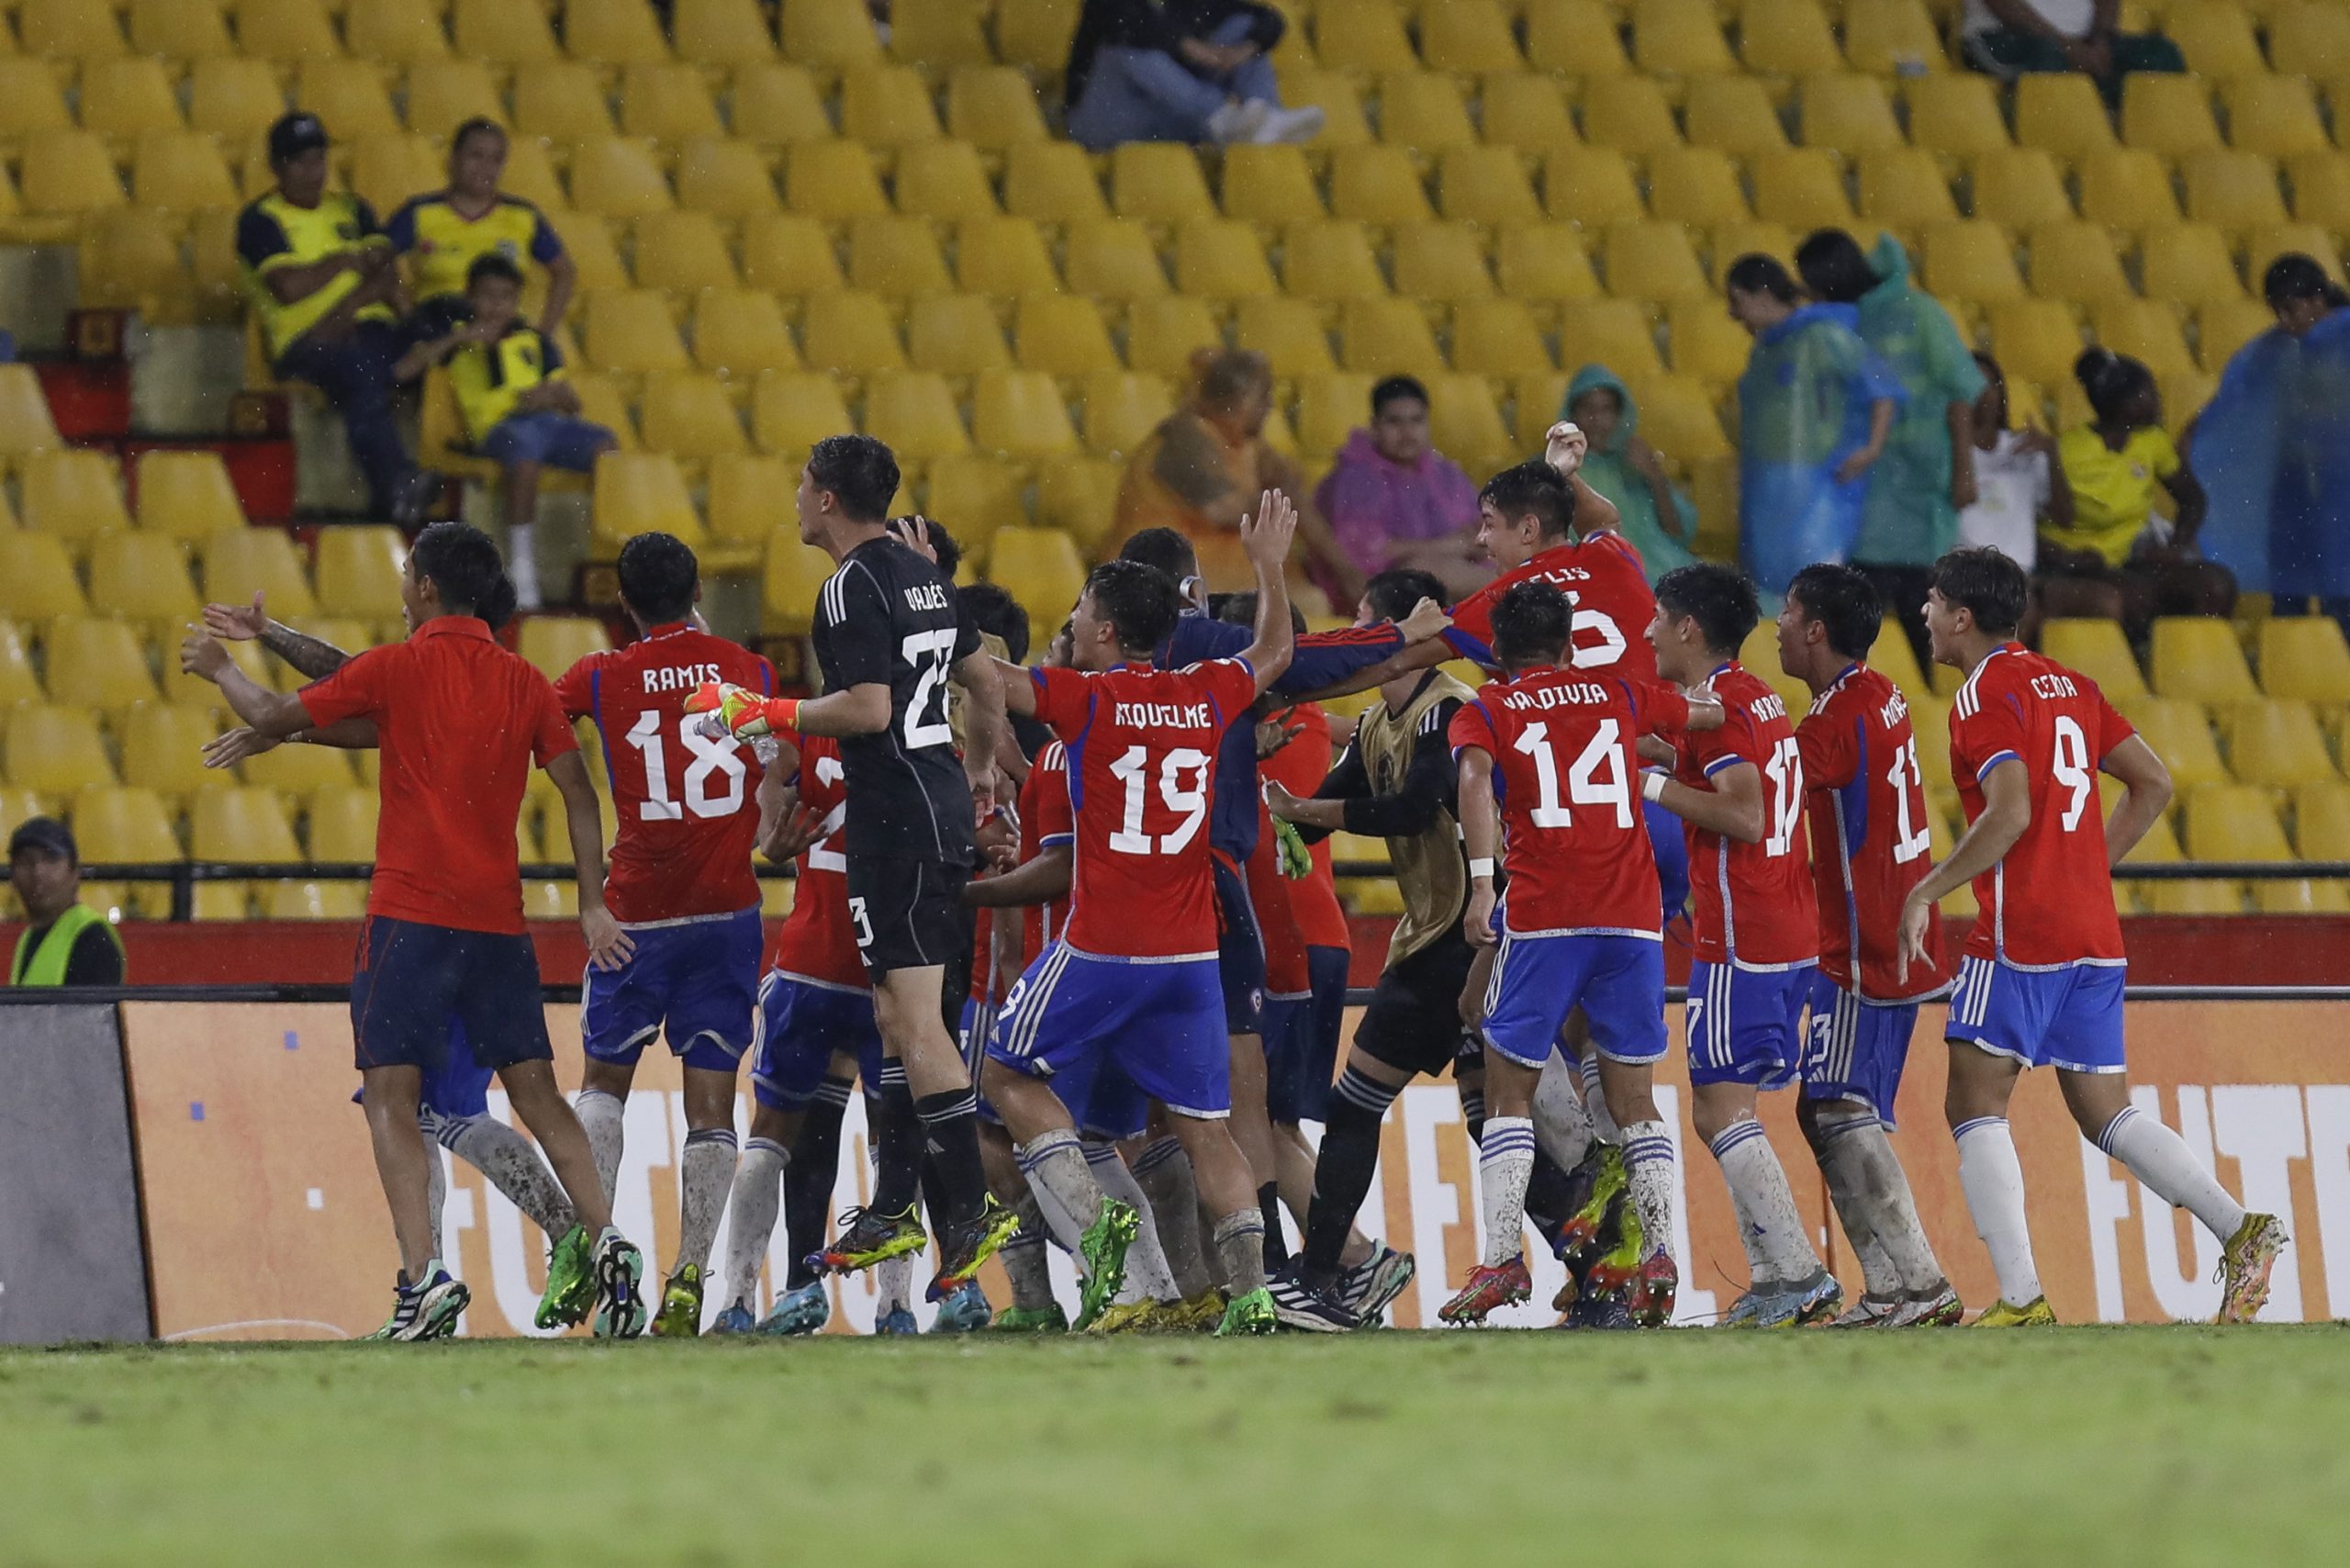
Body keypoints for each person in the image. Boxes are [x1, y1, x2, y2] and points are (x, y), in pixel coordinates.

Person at [178, 521, 646, 1342]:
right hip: (499, 927)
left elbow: (281, 708)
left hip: (412, 921)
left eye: (405, 574)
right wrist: (590, 902)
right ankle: (605, 1238)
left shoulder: (400, 669)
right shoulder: (525, 682)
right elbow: (577, 792)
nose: (400, 583)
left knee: (392, 1099)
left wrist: (225, 671)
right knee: (536, 1092)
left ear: (426, 587)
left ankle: (423, 1279)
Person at [1899, 546, 2287, 1326]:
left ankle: (2021, 1300)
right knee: (2103, 1107)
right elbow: (2155, 782)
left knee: (1973, 1101)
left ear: (1964, 617)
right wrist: (2087, 867)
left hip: (2022, 934)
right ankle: (2240, 1228)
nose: (1925, 615)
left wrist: (1928, 889)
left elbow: (2008, 813)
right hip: (2093, 934)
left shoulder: (1983, 695)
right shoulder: (2070, 683)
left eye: (1934, 602)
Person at [695, 435, 1019, 1294]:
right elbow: (986, 682)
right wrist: (980, 770)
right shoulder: (925, 577)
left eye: (803, 486)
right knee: (899, 1018)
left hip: (897, 821)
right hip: (937, 806)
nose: (796, 500)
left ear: (830, 499)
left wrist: (761, 709)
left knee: (913, 1026)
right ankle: (926, 1213)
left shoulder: (849, 586)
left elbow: (870, 708)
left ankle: (965, 1214)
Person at [980, 492, 1298, 1338]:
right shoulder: (1206, 693)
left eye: (1084, 612)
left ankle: (1098, 1226)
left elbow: (993, 678)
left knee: (1003, 1075)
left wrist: (926, 603)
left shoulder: (1089, 700)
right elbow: (1276, 649)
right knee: (1207, 1131)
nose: (1076, 623)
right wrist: (1266, 562)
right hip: (1191, 955)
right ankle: (1254, 1297)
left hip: (1102, 945)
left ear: (1109, 633)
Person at [1112, 525, 1441, 1295]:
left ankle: (1322, 1263)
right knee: (1234, 1113)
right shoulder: (1299, 724)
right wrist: (1407, 645)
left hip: (1264, 924)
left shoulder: (1230, 702)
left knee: (1250, 1115)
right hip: (1290, 927)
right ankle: (1279, 1269)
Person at [1438, 581, 1722, 1328]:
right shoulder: (1617, 692)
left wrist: (1476, 886)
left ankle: (1502, 1260)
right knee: (1636, 1101)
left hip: (1546, 915)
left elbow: (1472, 782)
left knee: (1508, 1092)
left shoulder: (1487, 709)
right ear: (1568, 647)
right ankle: (1660, 1251)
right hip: (1631, 922)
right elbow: (1708, 715)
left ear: (1496, 652)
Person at [1259, 571, 1506, 1329]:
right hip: (1443, 938)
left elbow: (1411, 807)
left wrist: (1301, 809)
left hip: (1459, 938)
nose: (1358, 649)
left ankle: (1329, 1277)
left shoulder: (1448, 715)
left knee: (1352, 1105)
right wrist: (1262, 789)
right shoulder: (1376, 727)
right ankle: (1599, 1254)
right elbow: (1320, 816)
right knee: (1486, 1120)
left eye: (1367, 626)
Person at [542, 532, 775, 1338]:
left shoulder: (603, 675)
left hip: (635, 914)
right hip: (727, 913)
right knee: (710, 1104)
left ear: (624, 601)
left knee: (603, 1085)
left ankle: (602, 1261)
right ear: (697, 588)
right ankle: (688, 1282)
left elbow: (537, 719)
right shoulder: (751, 670)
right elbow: (780, 757)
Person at [1643, 563, 1841, 1328]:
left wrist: (1649, 789)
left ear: (1690, 629)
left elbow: (1748, 815)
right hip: (1788, 924)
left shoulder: (1719, 707)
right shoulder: (1752, 695)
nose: (1649, 631)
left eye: (1659, 618)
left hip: (1743, 931)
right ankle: (1774, 1276)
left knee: (1720, 1106)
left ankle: (1793, 1271)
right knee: (1733, 1102)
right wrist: (1653, 757)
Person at [1774, 565, 1963, 1328]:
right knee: (1821, 1108)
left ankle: (1921, 1284)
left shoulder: (1834, 720)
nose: (1778, 625)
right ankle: (1889, 1288)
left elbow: (1766, 782)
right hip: (1894, 934)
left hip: (1866, 947)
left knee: (1838, 1104)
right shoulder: (1876, 695)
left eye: (1786, 612)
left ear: (1816, 630)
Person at [711, 730, 881, 1337]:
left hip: (811, 963)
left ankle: (738, 1299)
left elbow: (767, 811)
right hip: (889, 973)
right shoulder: (925, 746)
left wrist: (768, 827)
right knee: (898, 1144)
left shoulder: (807, 738)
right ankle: (898, 1307)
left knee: (774, 1132)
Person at [236, 112, 436, 524]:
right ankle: (396, 485)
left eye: (318, 159)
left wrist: (345, 307)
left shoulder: (353, 208)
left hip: (367, 328)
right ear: (276, 167)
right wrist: (345, 260)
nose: (313, 172)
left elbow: (386, 271)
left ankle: (418, 488)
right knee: (362, 370)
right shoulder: (261, 220)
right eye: (300, 161)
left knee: (445, 347)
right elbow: (288, 287)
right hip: (307, 342)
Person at [1796, 231, 1986, 667]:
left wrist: (1964, 471)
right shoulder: (1842, 322)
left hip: (1919, 489)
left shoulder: (1919, 313)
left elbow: (1959, 395)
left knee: (1924, 608)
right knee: (1865, 611)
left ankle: (1926, 703)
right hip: (1863, 493)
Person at [392, 253, 615, 611]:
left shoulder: (534, 341)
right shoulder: (457, 342)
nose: (497, 306)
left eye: (506, 297)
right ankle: (522, 568)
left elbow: (572, 404)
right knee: (525, 457)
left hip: (548, 423)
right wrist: (460, 337)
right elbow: (403, 371)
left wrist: (552, 397)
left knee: (607, 446)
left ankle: (610, 555)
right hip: (498, 428)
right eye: (488, 296)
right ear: (470, 298)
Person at [1115, 348, 1358, 603]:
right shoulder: (1183, 438)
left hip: (1221, 578)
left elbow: (1292, 496)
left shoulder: (1248, 444)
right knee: (1305, 604)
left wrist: (1347, 571)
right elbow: (1221, 509)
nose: (1270, 406)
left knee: (1310, 602)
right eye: (1262, 396)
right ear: (1234, 399)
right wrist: (1284, 498)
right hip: (1166, 576)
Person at [1726, 253, 1903, 598]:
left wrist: (1871, 449)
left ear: (1763, 294)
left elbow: (1881, 387)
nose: (1732, 313)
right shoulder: (1765, 350)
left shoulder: (1823, 336)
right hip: (1767, 492)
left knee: (1812, 596)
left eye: (1737, 301)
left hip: (1815, 493)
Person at [2192, 255, 2350, 634]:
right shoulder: (2276, 350)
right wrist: (2196, 434)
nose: (2285, 322)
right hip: (2296, 481)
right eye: (2277, 312)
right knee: (2291, 585)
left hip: (2339, 485)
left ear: (2317, 299)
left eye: (2291, 309)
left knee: (2341, 584)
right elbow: (2233, 402)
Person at [2042, 349, 2233, 643]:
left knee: (2216, 585)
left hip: (2133, 561)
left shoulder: (2152, 442)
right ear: (2124, 405)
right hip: (2078, 566)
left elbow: (2192, 498)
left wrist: (2176, 546)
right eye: (2150, 393)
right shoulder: (2068, 450)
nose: (2158, 401)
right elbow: (2030, 522)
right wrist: (2066, 558)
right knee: (2135, 596)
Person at [384, 118, 574, 343]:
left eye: (495, 159)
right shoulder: (419, 212)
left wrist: (544, 334)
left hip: (500, 339)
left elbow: (564, 271)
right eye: (476, 156)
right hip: (436, 335)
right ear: (453, 159)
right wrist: (409, 317)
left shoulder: (523, 216)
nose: (485, 167)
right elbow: (377, 264)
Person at [1311, 375, 1487, 602]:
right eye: (1394, 421)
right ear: (1374, 426)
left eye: (1416, 421)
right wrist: (1450, 547)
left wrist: (1466, 547)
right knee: (1421, 571)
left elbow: (1480, 535)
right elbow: (1363, 553)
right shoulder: (1357, 478)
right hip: (1376, 593)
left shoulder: (1445, 474)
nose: (1407, 432)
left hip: (1451, 580)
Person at [1064, 0, 1323, 151]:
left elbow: (1266, 18)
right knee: (1128, 51)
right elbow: (1127, 26)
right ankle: (1219, 116)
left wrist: (1245, 48)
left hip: (1169, 117)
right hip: (1105, 121)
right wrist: (1190, 47)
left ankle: (1267, 115)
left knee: (1242, 29)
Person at [1559, 364, 1700, 584]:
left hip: (1658, 566)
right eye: (1588, 409)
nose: (1597, 420)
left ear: (1619, 414)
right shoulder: (1557, 467)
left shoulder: (1633, 463)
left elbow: (1677, 532)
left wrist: (1655, 477)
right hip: (1591, 575)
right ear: (1572, 413)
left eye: (1606, 410)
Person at [1956, 353, 2071, 582]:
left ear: (2001, 392)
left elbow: (2064, 517)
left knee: (2107, 601)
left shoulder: (2027, 447)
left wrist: (2052, 454)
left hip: (2021, 575)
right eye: (1971, 382)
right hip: (1965, 574)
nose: (1982, 393)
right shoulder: (1947, 452)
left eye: (1989, 384)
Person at [1960, 0, 2186, 108]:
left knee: (2160, 54)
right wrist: (2067, 47)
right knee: (2049, 58)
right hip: (2005, 36)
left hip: (2087, 39)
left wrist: (2101, 38)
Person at [6, 819, 124, 987]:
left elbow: (90, 1013)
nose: (38, 872)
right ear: (13, 878)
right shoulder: (28, 937)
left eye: (50, 859)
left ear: (75, 872)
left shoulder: (93, 937)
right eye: (25, 861)